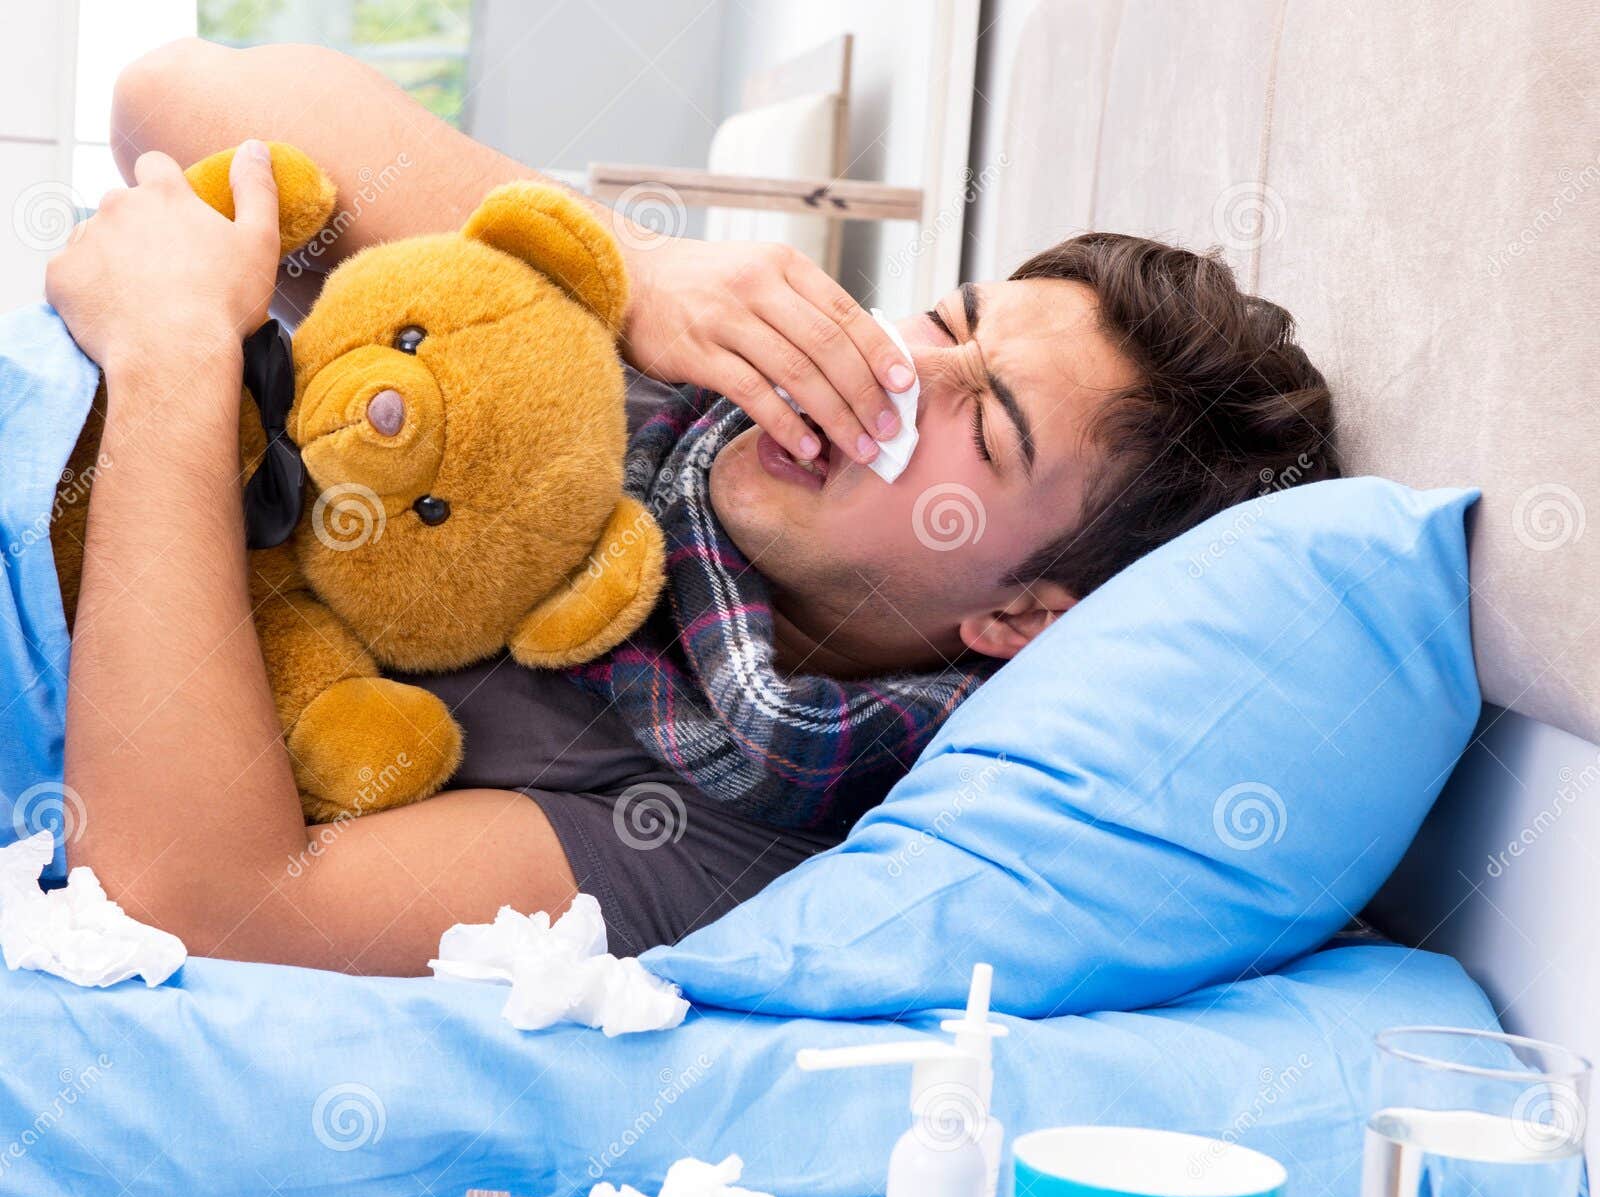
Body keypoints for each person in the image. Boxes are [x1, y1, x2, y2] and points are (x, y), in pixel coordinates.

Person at [43, 40, 1335, 975]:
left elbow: (197, 900)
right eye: (945, 322)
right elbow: (171, 94)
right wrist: (634, 268)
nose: (898, 372)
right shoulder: (658, 350)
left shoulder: (710, 834)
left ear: (1022, 615)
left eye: (981, 424)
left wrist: (173, 363)